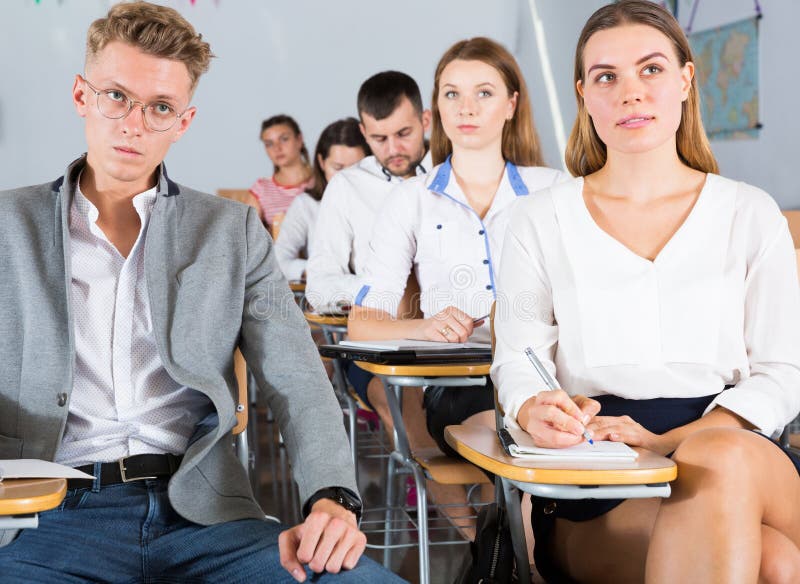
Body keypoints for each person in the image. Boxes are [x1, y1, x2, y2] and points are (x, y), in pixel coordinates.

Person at [0, 3, 403, 583]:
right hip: (47, 519)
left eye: (159, 107)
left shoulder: (231, 232)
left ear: (182, 121)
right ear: (81, 96)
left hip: (206, 519)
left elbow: (295, 377)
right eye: (116, 96)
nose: (134, 123)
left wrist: (333, 496)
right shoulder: (9, 226)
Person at [491, 1, 800, 582]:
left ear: (686, 79)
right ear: (583, 93)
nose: (630, 92)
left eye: (651, 69)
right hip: (604, 471)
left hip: (738, 441)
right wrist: (536, 406)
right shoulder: (537, 220)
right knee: (778, 566)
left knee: (723, 457)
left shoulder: (750, 213)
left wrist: (673, 441)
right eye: (607, 77)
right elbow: (519, 361)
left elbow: (783, 373)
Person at [348, 37, 565, 537]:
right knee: (509, 433)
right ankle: (495, 551)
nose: (466, 107)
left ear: (512, 104)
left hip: (549, 376)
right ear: (436, 109)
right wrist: (425, 325)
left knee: (536, 427)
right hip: (462, 385)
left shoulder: (553, 189)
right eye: (452, 94)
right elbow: (364, 321)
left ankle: (504, 558)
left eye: (484, 93)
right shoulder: (410, 200)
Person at [306, 71, 431, 438]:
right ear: (363, 133)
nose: (392, 149)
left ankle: (462, 493)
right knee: (402, 409)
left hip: (456, 340)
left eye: (403, 134)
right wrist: (382, 287)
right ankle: (430, 489)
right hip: (378, 343)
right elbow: (319, 287)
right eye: (379, 138)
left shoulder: (454, 173)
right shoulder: (346, 188)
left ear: (425, 121)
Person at [275, 117, 370, 281]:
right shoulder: (306, 205)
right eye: (338, 168)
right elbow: (278, 259)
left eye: (356, 168)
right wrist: (317, 271)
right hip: (329, 297)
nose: (345, 179)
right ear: (321, 162)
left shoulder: (384, 202)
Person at [250, 114, 314, 232]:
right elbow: (247, 237)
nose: (277, 148)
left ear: (299, 140)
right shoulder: (261, 188)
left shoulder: (322, 180)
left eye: (284, 139)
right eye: (269, 144)